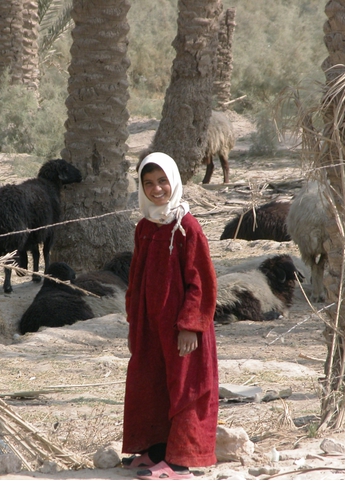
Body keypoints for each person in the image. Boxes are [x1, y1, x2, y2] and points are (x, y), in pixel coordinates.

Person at [121, 152, 219, 480]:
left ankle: (180, 462)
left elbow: (200, 280)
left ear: (174, 181)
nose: (157, 189)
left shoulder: (186, 226)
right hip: (150, 325)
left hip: (180, 327)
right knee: (151, 384)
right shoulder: (146, 226)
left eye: (163, 181)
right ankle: (158, 449)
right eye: (148, 183)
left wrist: (190, 325)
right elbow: (136, 276)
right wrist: (135, 317)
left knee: (185, 387)